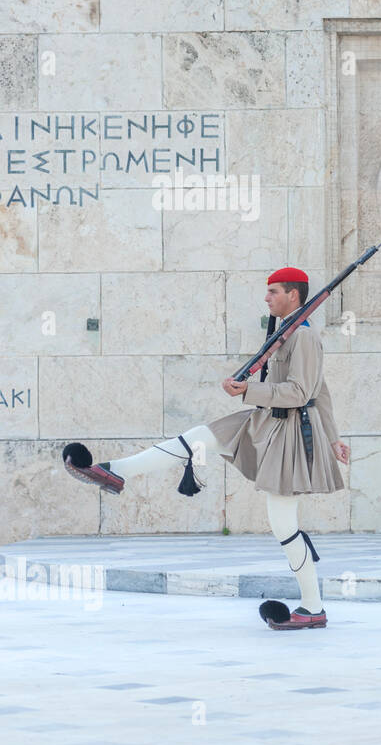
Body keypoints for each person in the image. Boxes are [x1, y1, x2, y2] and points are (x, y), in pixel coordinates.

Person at [62, 267, 349, 631]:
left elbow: (304, 392)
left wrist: (248, 391)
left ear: (294, 295)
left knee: (284, 526)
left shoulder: (304, 337)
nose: (266, 297)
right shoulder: (288, 331)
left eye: (273, 291)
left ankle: (313, 608)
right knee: (201, 435)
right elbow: (321, 391)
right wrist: (336, 437)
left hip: (288, 434)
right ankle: (116, 471)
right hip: (266, 421)